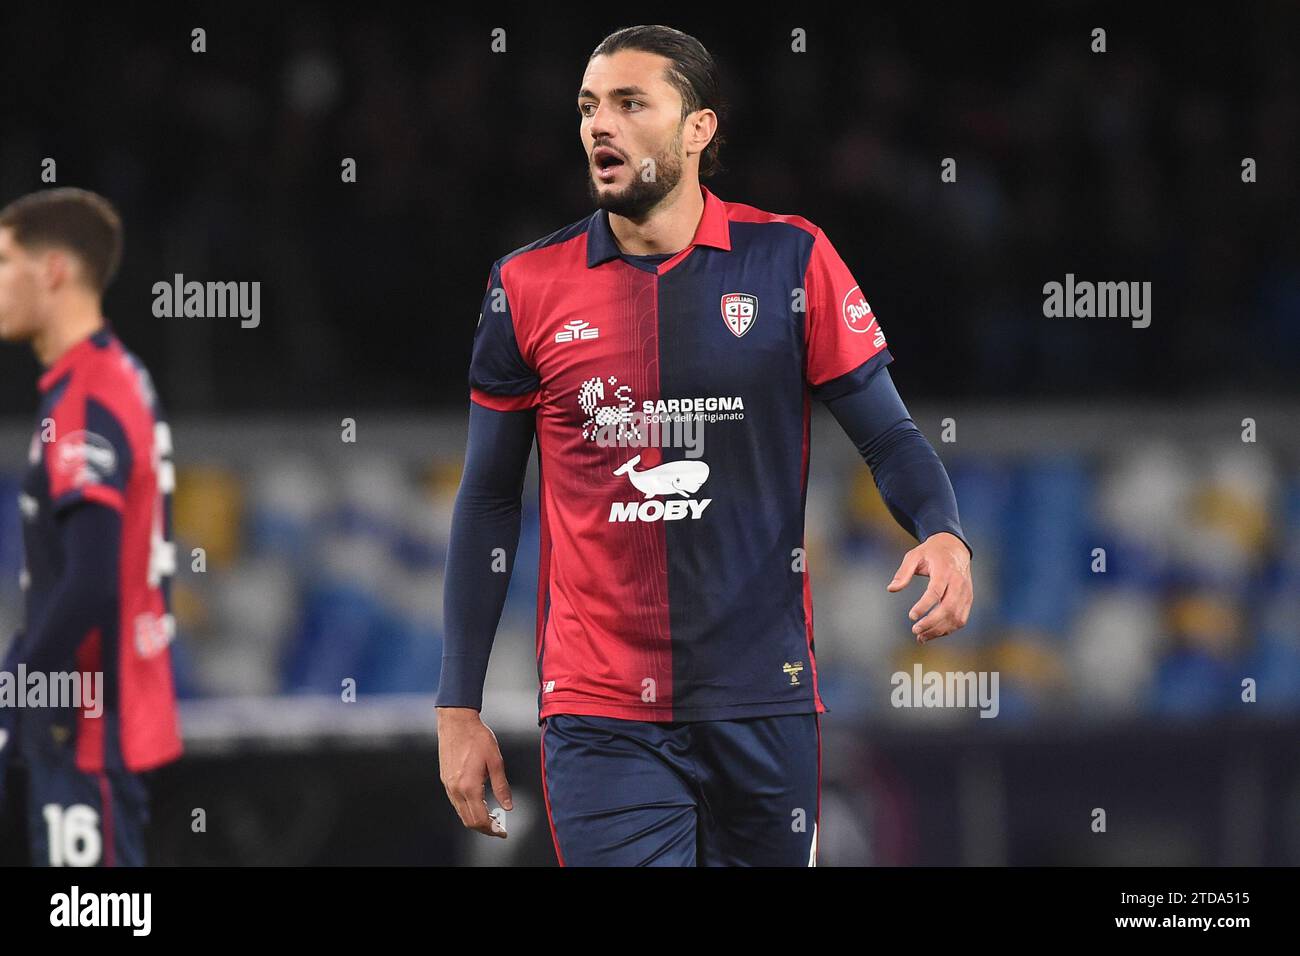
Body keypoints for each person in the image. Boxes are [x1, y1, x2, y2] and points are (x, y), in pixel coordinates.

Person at [436, 25, 973, 866]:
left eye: (629, 103)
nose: (599, 124)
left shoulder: (791, 260)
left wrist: (942, 529)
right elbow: (489, 498)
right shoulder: (526, 286)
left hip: (764, 702)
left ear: (698, 128)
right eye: (588, 106)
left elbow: (891, 435)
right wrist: (457, 706)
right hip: (601, 715)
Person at [0, 187, 182, 866]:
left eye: (5, 261)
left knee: (91, 910)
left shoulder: (86, 397)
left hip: (87, 727)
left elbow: (90, 583)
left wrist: (15, 693)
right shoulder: (119, 374)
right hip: (104, 714)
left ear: (53, 271)